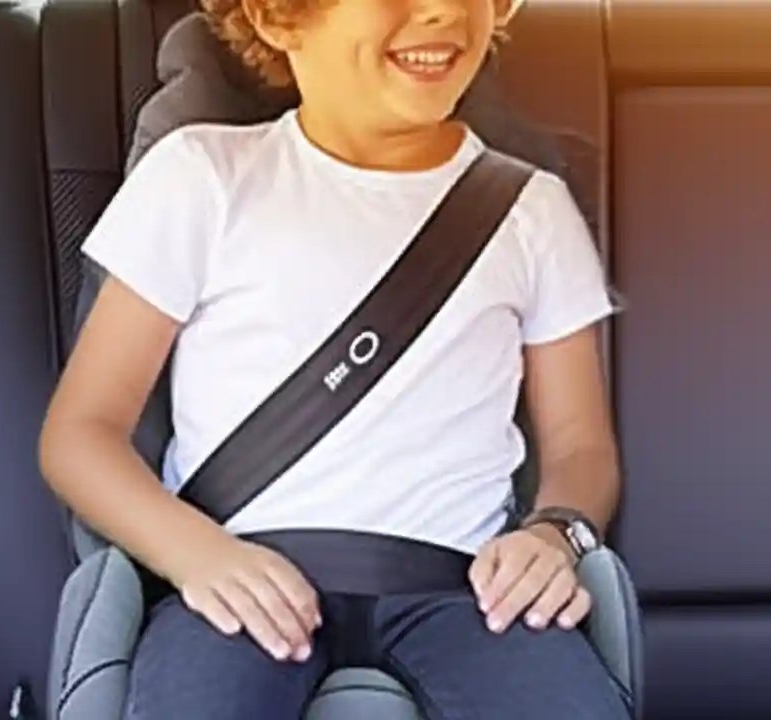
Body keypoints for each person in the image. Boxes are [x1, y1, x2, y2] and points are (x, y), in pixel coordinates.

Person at [37, 0, 629, 715]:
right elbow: (80, 434)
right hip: (241, 574)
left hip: (469, 591)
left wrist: (557, 530)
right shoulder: (199, 177)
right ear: (278, 17)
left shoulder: (532, 211)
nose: (443, 10)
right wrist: (194, 554)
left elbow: (580, 445)